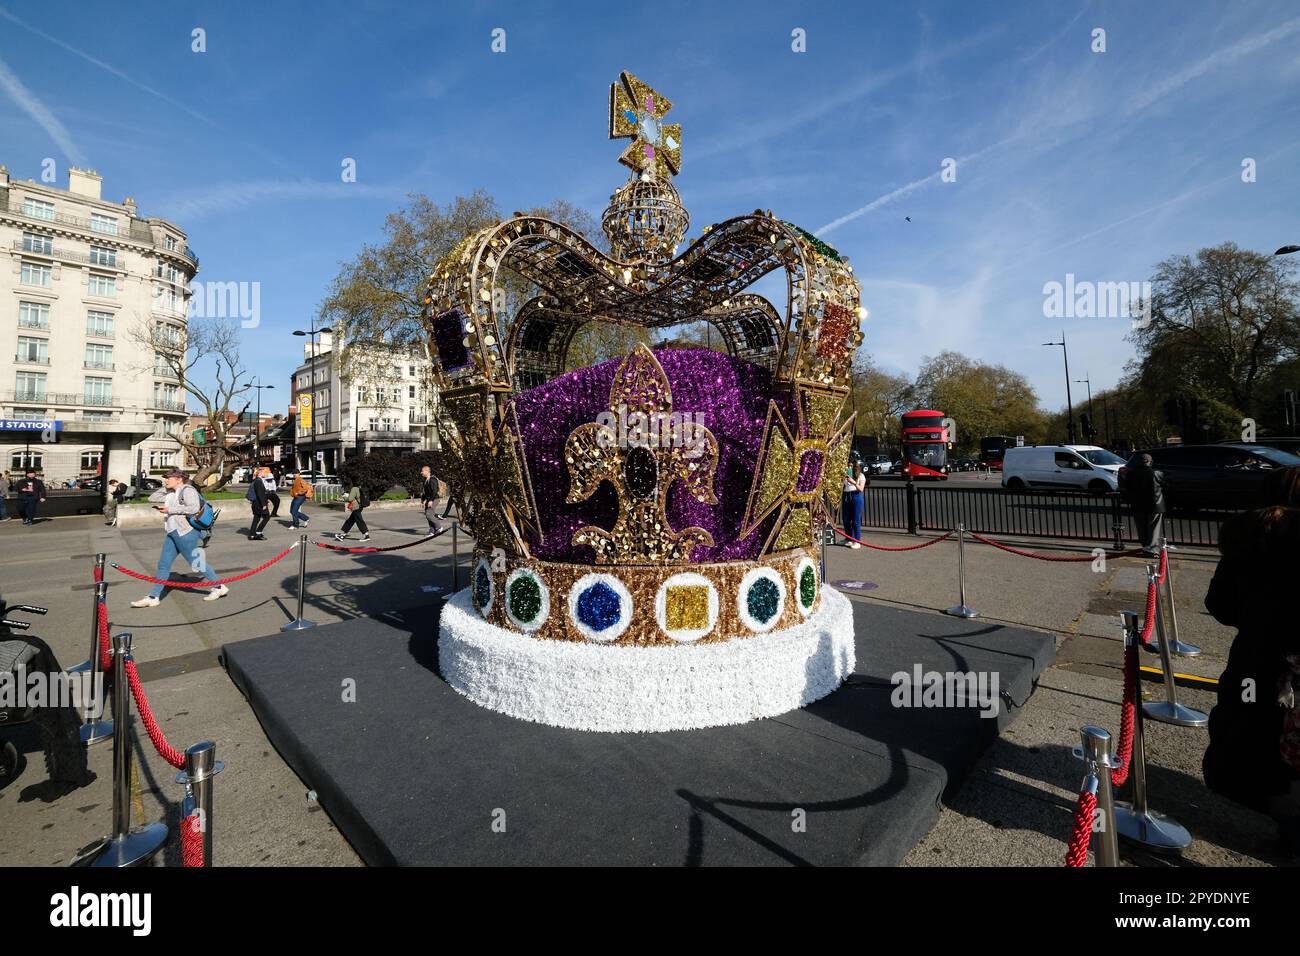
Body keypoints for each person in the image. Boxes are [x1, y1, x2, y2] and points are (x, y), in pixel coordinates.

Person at [1202, 490, 1300, 853]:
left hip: (1258, 662)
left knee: (1254, 746)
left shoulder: (1250, 533)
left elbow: (1220, 605)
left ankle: (1287, 828)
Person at [129, 470, 227, 607]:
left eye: (168, 478)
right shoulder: (171, 492)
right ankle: (153, 597)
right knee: (163, 565)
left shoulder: (188, 490)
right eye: (165, 478)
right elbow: (152, 497)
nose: (166, 480)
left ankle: (219, 587)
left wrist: (170, 509)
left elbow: (193, 508)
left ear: (179, 479)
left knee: (195, 562)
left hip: (185, 532)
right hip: (172, 531)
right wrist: (167, 487)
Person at [1123, 453, 1165, 554]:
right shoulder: (1156, 473)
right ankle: (1152, 549)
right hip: (1155, 504)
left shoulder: (1131, 473)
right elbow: (1165, 484)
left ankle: (1145, 546)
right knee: (1154, 527)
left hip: (1138, 504)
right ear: (1150, 462)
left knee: (1141, 528)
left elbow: (1127, 488)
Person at [841, 460, 866, 548]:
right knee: (846, 519)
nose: (850, 467)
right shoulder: (846, 475)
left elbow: (861, 489)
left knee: (856, 520)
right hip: (847, 496)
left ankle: (857, 541)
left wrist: (854, 482)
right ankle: (849, 538)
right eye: (849, 465)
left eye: (853, 466)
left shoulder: (861, 476)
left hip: (856, 496)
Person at [419, 465, 447, 538]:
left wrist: (431, 500)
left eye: (422, 471)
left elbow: (435, 491)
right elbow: (425, 492)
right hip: (428, 499)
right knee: (428, 515)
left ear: (427, 471)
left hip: (434, 499)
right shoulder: (426, 480)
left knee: (429, 514)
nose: (421, 472)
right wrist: (422, 500)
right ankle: (432, 531)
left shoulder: (432, 479)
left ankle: (439, 527)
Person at [247, 467, 271, 540]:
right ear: (260, 473)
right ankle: (258, 532)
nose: (266, 474)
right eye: (264, 472)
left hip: (256, 503)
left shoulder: (256, 480)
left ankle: (251, 535)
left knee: (256, 518)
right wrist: (264, 504)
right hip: (259, 504)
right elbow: (260, 494)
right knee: (267, 517)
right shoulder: (258, 481)